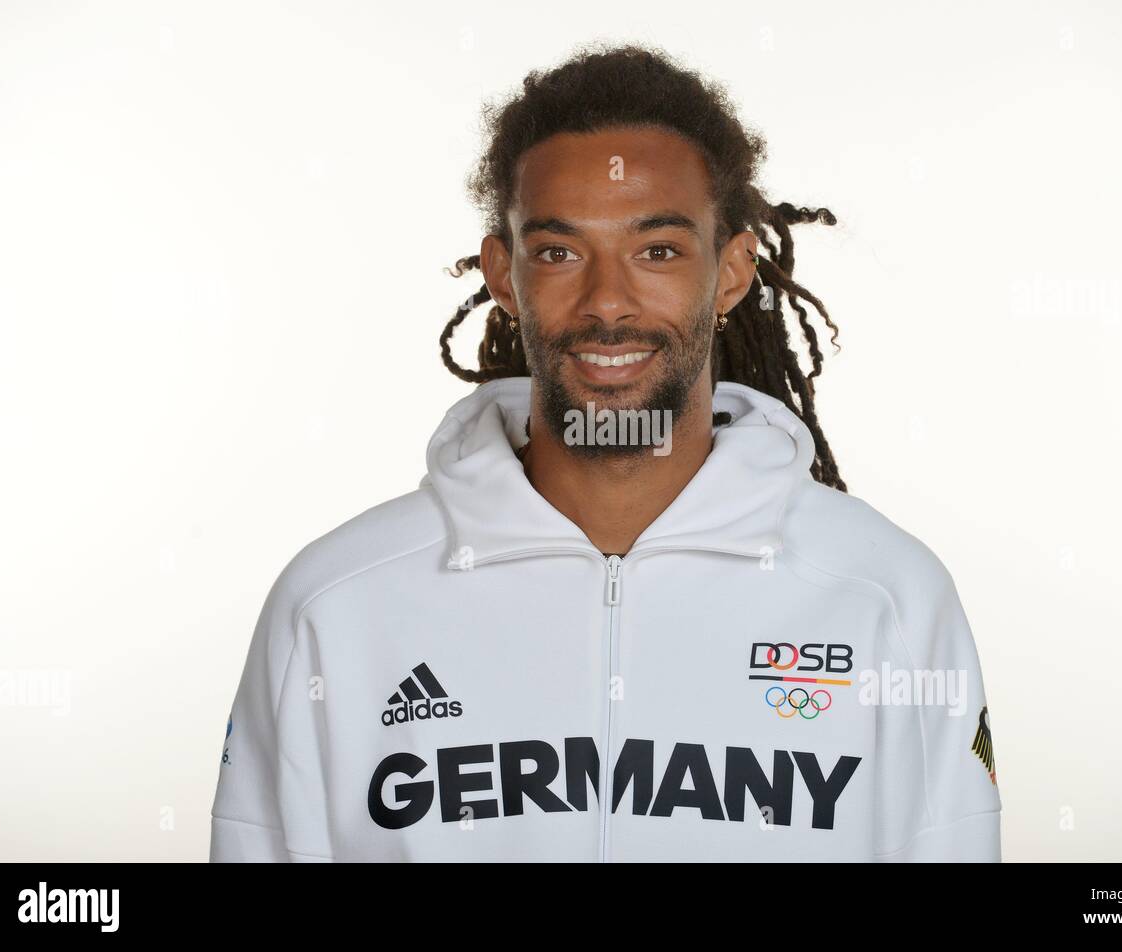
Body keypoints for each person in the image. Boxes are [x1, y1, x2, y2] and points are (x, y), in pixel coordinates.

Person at [208, 42, 1001, 862]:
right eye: (558, 252)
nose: (607, 303)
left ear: (730, 272)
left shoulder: (885, 598)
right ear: (505, 276)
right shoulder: (337, 605)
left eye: (657, 250)